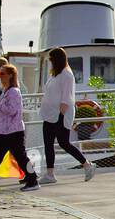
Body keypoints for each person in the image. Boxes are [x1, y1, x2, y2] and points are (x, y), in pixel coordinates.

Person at [38, 47, 95, 184]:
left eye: (52, 59)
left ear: (57, 60)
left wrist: (59, 115)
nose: (50, 62)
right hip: (49, 114)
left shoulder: (67, 75)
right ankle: (50, 173)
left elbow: (66, 98)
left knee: (64, 143)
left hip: (59, 115)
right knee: (48, 144)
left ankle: (87, 165)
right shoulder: (55, 74)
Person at [0, 63, 40, 192]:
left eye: (2, 74)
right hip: (3, 131)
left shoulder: (14, 92)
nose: (0, 76)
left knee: (19, 157)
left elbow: (12, 110)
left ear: (10, 75)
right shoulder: (6, 90)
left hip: (12, 131)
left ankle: (33, 180)